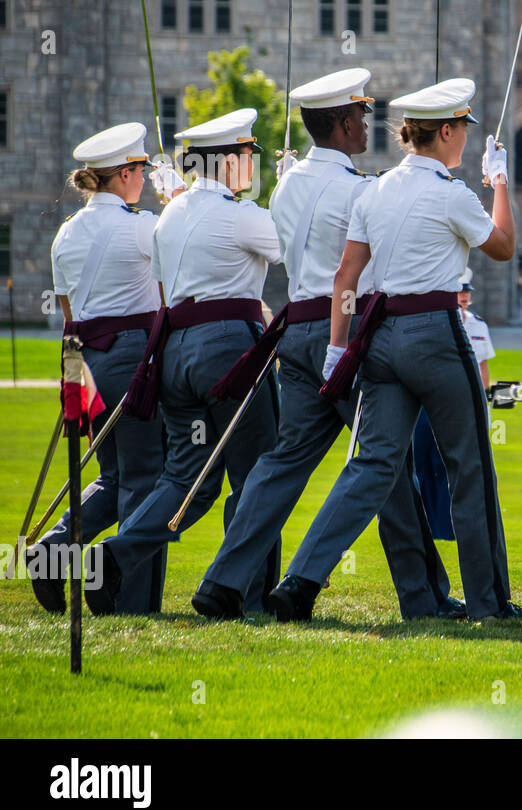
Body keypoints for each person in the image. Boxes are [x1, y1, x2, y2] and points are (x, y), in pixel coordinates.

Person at [267, 77, 522, 621]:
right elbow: (505, 248)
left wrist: (337, 349)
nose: (464, 138)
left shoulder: (374, 190)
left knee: (370, 466)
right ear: (445, 131)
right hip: (435, 333)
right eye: (462, 129)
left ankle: (300, 580)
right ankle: (491, 605)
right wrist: (501, 183)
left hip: (380, 338)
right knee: (469, 468)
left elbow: (347, 273)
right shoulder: (452, 193)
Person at [191, 69, 461, 621]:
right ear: (341, 123)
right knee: (382, 466)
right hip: (347, 333)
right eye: (361, 115)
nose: (367, 124)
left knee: (283, 461)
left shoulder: (288, 183)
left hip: (297, 330)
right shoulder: (365, 189)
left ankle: (223, 581)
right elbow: (372, 267)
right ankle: (418, 595)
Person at [85, 108, 283, 615]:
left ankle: (113, 554)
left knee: (184, 480)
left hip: (175, 355)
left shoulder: (172, 213)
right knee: (255, 476)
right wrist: (287, 193)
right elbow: (293, 247)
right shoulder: (243, 214)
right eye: (248, 155)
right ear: (231, 161)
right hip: (228, 353)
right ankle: (244, 593)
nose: (252, 164)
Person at [28, 123, 166, 615]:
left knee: (113, 475)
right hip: (132, 355)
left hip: (85, 362)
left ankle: (53, 549)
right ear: (124, 174)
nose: (146, 180)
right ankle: (127, 598)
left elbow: (68, 314)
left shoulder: (65, 233)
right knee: (146, 476)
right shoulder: (144, 226)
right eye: (142, 171)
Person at [412, 266, 494, 540]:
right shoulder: (425, 319)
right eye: (459, 292)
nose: (463, 297)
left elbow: (483, 371)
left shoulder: (477, 324)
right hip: (424, 403)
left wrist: (482, 406)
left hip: (458, 404)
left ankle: (447, 530)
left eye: (466, 292)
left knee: (448, 466)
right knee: (421, 464)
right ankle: (424, 527)